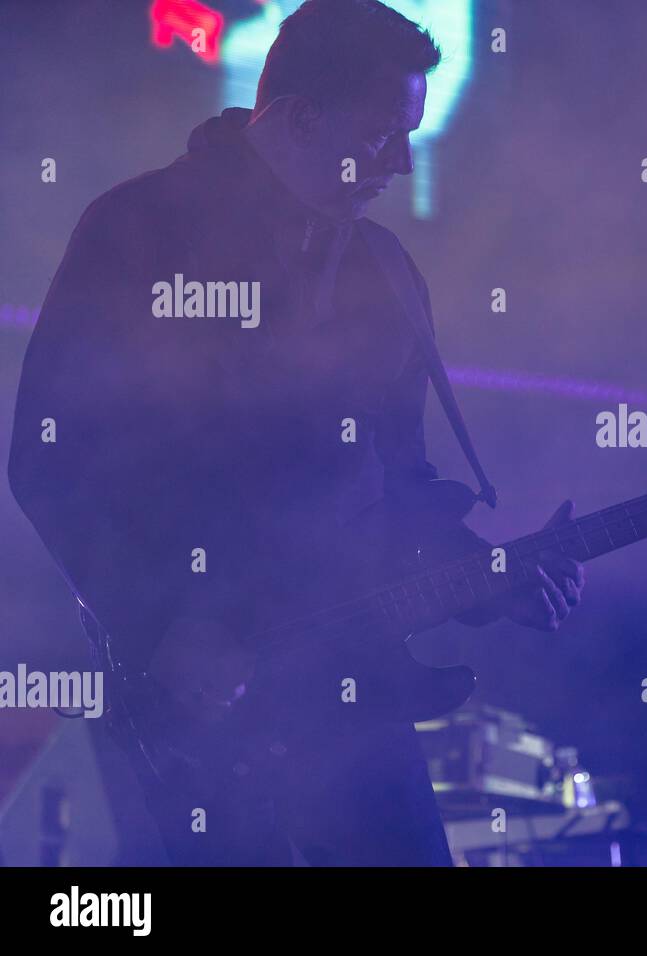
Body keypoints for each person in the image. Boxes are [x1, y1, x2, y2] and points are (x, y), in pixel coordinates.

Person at [7, 0, 584, 866]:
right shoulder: (139, 227)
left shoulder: (385, 269)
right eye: (385, 133)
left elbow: (398, 489)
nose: (401, 161)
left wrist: (485, 576)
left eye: (412, 134)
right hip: (200, 699)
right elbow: (52, 455)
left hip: (358, 696)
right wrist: (164, 626)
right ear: (301, 117)